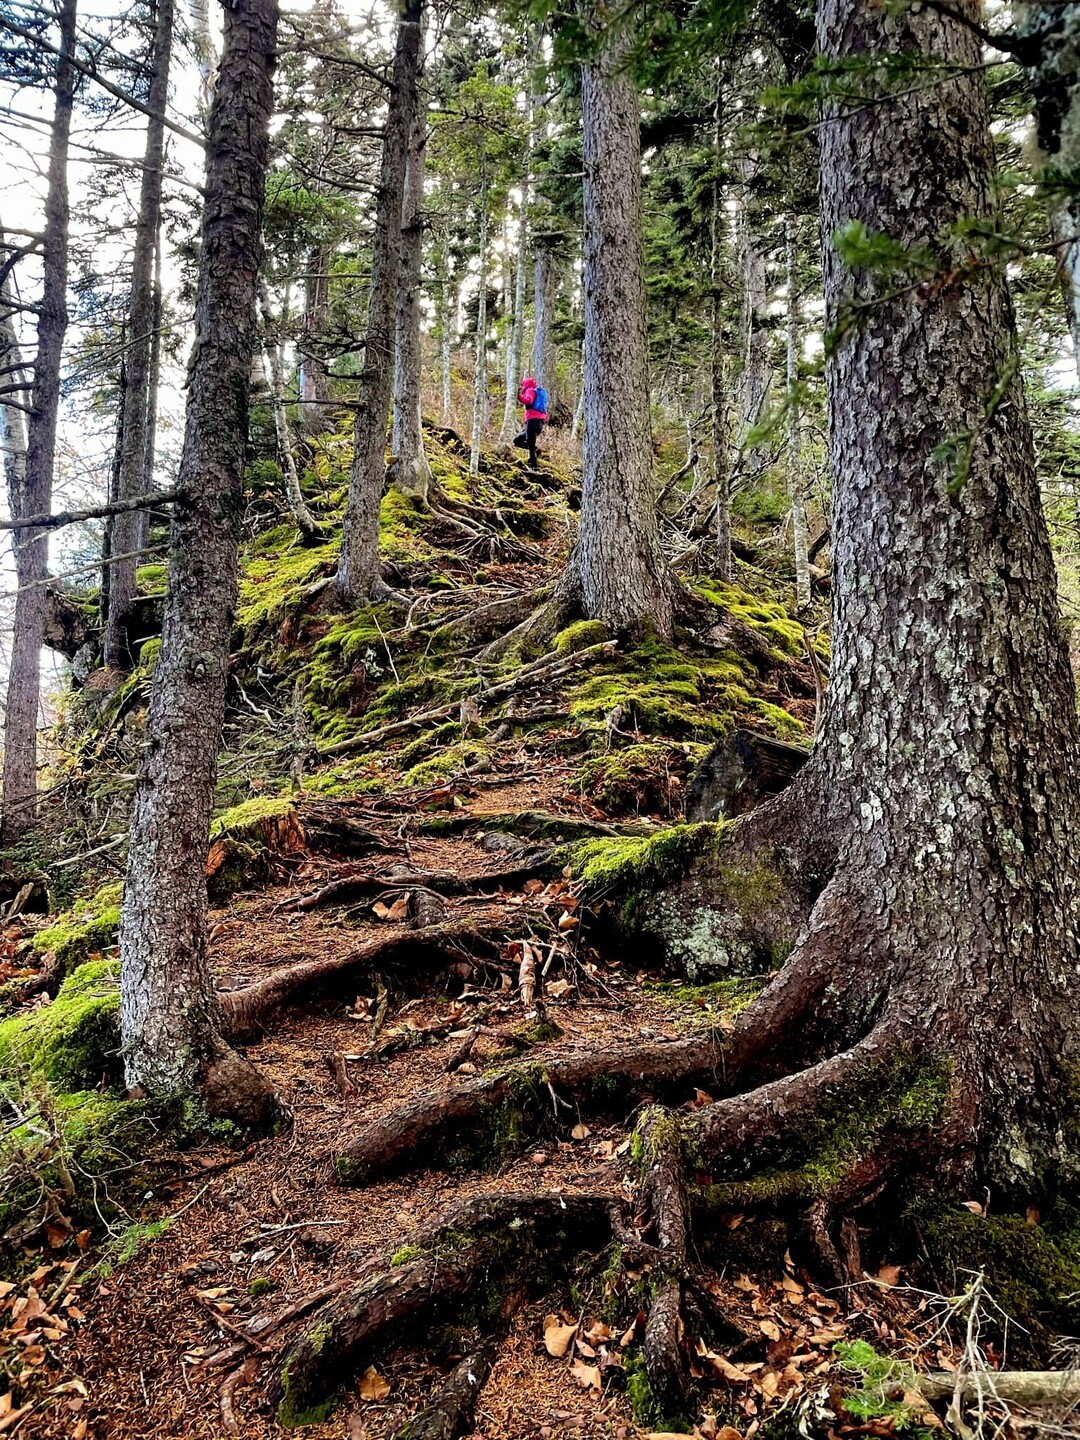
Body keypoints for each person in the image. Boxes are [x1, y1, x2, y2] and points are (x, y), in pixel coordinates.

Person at [514, 374, 548, 468]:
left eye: (523, 385)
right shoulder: (535, 391)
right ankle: (536, 452)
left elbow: (529, 400)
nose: (522, 387)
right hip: (539, 422)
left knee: (530, 443)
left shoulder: (529, 390)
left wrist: (519, 396)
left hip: (533, 421)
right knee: (517, 440)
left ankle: (534, 466)